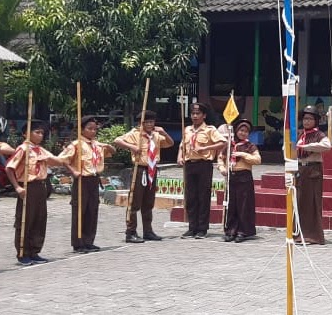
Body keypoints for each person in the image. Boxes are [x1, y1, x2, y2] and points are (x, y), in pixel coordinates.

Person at [5, 120, 66, 265]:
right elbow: (9, 167)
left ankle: (34, 251)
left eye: (42, 133)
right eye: (36, 132)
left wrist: (64, 153)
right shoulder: (23, 149)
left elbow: (57, 161)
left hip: (41, 186)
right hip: (27, 185)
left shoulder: (40, 150)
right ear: (26, 133)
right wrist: (17, 187)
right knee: (26, 219)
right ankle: (22, 252)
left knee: (39, 219)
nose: (40, 135)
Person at [114, 110, 174, 243]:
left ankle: (148, 230)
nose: (149, 124)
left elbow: (170, 143)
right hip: (139, 169)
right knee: (134, 202)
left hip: (152, 169)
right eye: (146, 122)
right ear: (141, 123)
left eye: (151, 122)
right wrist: (132, 147)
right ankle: (131, 231)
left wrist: (163, 132)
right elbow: (117, 140)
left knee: (148, 202)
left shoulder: (156, 136)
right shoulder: (135, 134)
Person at [59, 115, 114, 253]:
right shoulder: (76, 144)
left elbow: (112, 152)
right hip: (82, 179)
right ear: (82, 129)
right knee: (80, 210)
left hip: (94, 179)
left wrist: (107, 146)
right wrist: (73, 171)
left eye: (95, 129)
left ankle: (89, 241)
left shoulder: (97, 145)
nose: (93, 132)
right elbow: (62, 159)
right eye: (89, 129)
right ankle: (78, 243)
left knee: (92, 210)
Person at [177, 103, 225, 239]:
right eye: (193, 114)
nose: (195, 116)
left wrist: (206, 148)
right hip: (189, 164)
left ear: (204, 115)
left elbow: (223, 142)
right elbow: (182, 146)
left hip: (204, 164)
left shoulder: (210, 130)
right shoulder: (187, 129)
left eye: (198, 114)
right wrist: (180, 157)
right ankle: (192, 227)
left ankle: (202, 228)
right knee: (190, 197)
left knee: (203, 196)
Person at [218, 119, 261, 242]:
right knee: (231, 205)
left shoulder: (250, 146)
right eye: (241, 130)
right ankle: (231, 230)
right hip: (231, 176)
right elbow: (221, 158)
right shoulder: (229, 145)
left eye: (246, 131)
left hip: (244, 176)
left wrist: (243, 155)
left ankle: (243, 231)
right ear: (236, 131)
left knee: (243, 205)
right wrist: (222, 168)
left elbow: (257, 160)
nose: (243, 133)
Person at [294, 105, 331, 245]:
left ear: (316, 120)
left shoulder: (319, 135)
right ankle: (298, 234)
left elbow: (327, 146)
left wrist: (307, 147)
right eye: (305, 119)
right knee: (299, 202)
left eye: (310, 119)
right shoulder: (299, 134)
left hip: (313, 171)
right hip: (300, 170)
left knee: (312, 203)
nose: (307, 122)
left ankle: (312, 236)